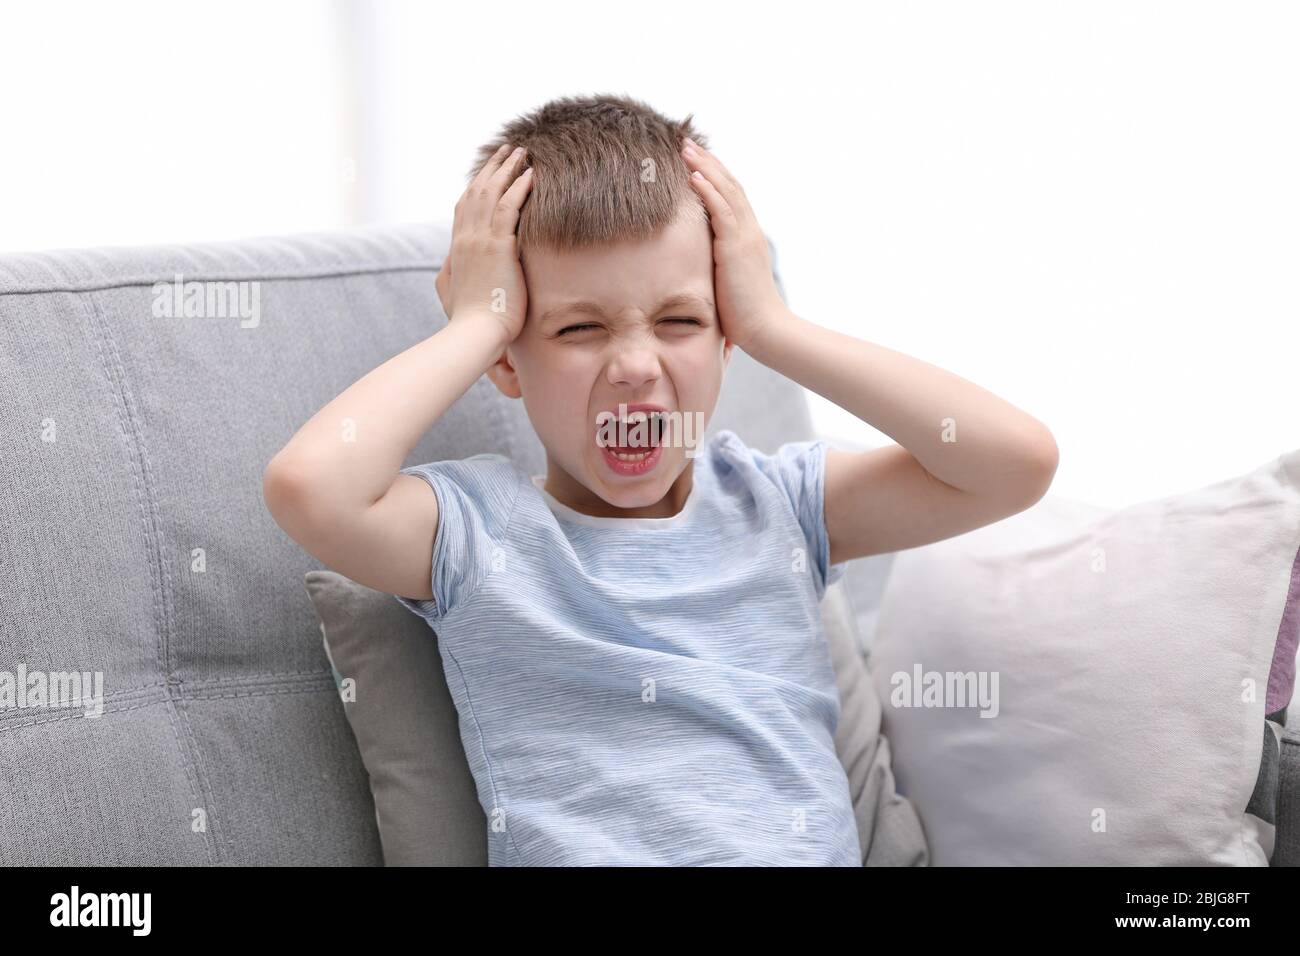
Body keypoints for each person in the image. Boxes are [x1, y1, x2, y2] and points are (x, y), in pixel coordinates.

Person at [263, 93, 1058, 865]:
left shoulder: (778, 505)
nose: (636, 366)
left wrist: (774, 326)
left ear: (726, 336)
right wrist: (478, 321)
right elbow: (310, 487)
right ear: (507, 357)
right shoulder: (482, 534)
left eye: (681, 321)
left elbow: (1014, 464)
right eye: (579, 329)